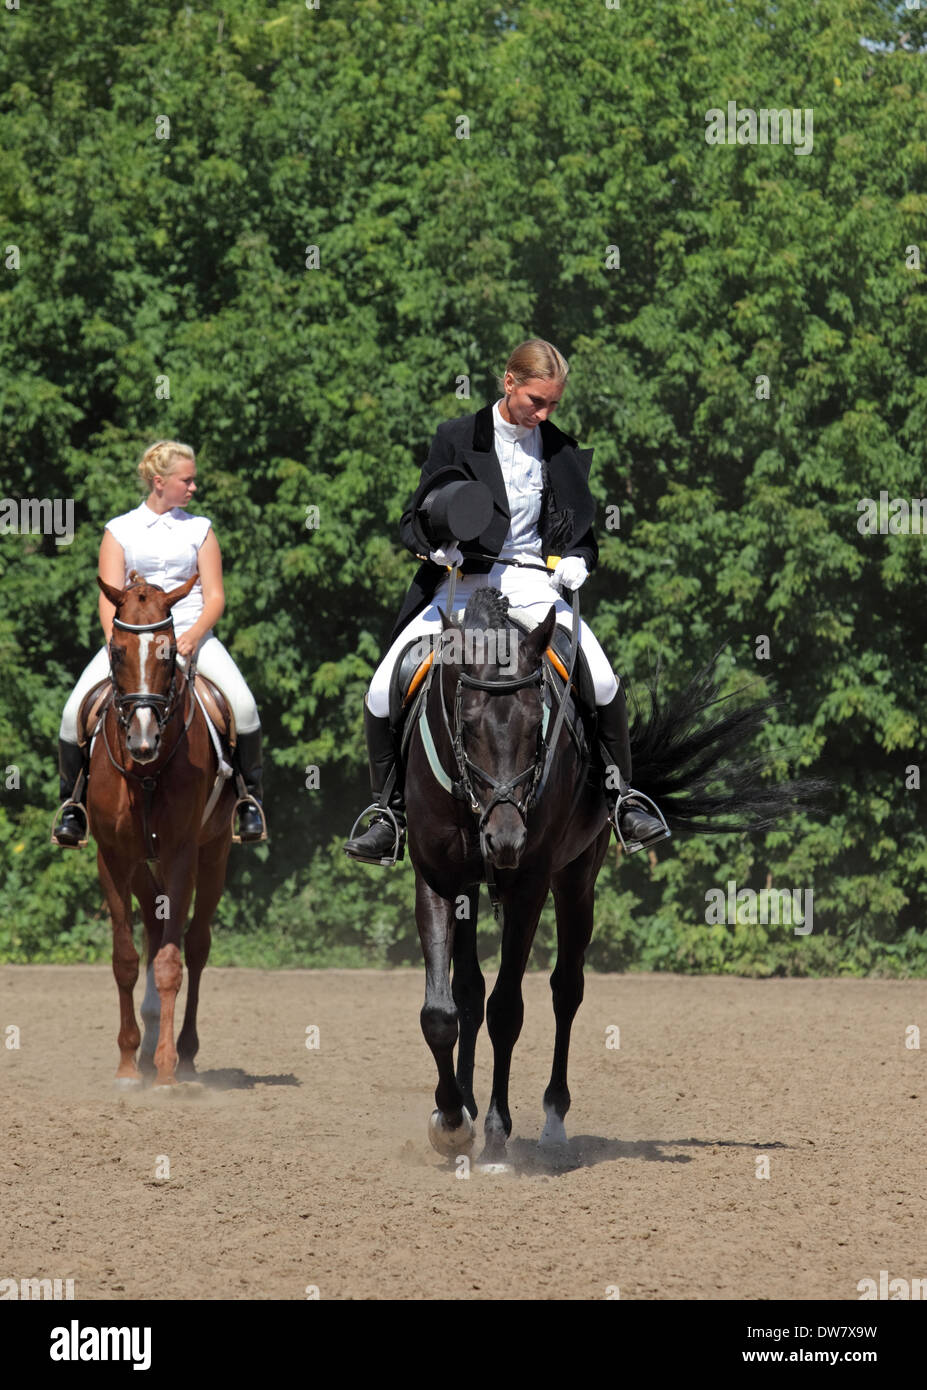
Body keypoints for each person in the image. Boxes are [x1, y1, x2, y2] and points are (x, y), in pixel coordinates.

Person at [343, 338, 668, 864]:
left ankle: (622, 798)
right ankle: (389, 813)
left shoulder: (558, 447)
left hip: (533, 582)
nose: (543, 413)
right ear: (509, 382)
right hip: (463, 579)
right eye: (535, 401)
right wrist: (435, 547)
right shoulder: (457, 437)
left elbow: (581, 531)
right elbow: (413, 522)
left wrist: (581, 558)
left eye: (553, 404)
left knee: (603, 679)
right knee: (382, 688)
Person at [53, 440, 266, 846]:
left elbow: (215, 596)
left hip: (190, 636)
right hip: (130, 644)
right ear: (159, 481)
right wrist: (118, 645)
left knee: (244, 706)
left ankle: (248, 800)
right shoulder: (120, 530)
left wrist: (192, 635)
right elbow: (108, 596)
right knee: (70, 715)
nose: (193, 488)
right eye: (186, 481)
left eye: (193, 481)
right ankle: (72, 806)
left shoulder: (199, 529)